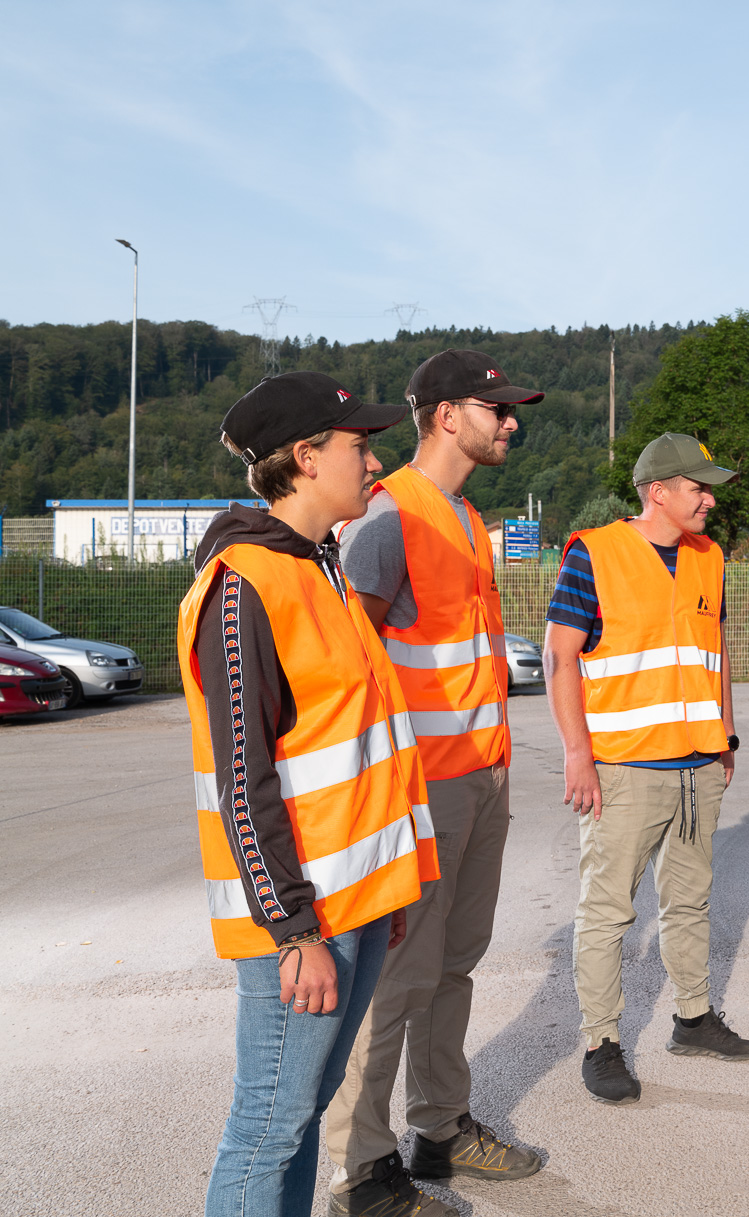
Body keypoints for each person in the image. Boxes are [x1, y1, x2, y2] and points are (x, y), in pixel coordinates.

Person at [178, 371, 438, 1217]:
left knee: (297, 1116)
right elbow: (241, 783)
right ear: (304, 457)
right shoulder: (247, 580)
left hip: (356, 900)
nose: (374, 458)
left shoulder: (317, 568)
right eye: (358, 444)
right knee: (266, 1123)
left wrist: (391, 884)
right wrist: (293, 930)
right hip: (302, 914)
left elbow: (362, 753)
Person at [324, 350, 544, 1215]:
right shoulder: (389, 517)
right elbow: (350, 667)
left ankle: (440, 1128)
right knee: (398, 982)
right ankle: (363, 1169)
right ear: (448, 415)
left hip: (481, 780)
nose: (512, 421)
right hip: (422, 790)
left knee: (455, 965)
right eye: (499, 408)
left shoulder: (462, 516)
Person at [544, 431, 749, 1105]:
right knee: (609, 911)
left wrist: (725, 733)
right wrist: (577, 753)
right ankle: (601, 1041)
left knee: (691, 896)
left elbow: (715, 650)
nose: (710, 500)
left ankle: (693, 1017)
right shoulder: (595, 553)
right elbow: (559, 658)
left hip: (699, 763)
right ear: (659, 491)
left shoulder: (710, 557)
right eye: (699, 487)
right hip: (624, 767)